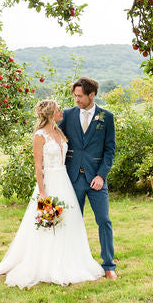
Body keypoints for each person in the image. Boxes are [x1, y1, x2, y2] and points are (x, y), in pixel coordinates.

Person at [0, 99, 105, 288]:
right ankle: (46, 262)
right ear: (51, 114)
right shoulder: (40, 135)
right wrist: (42, 192)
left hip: (64, 181)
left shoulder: (59, 131)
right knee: (48, 221)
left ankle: (71, 259)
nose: (62, 112)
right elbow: (37, 165)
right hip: (49, 182)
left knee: (69, 220)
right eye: (59, 109)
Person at [61, 76, 117, 279]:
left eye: (80, 96)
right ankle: (70, 262)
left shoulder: (106, 117)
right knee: (71, 221)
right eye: (74, 95)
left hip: (96, 179)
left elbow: (110, 150)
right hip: (72, 178)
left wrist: (101, 175)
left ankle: (109, 266)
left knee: (104, 220)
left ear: (91, 95)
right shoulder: (66, 115)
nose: (76, 99)